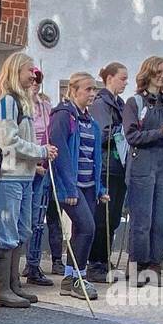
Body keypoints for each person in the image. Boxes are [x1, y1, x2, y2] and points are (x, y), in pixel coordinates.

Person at [0, 51, 56, 308]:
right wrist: (40, 152)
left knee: (22, 229)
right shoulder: (7, 101)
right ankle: (1, 287)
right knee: (5, 231)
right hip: (6, 176)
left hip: (24, 175)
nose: (33, 74)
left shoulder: (24, 102)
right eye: (30, 70)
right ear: (17, 72)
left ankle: (13, 283)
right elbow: (8, 141)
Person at [123, 56, 163, 283]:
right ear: (148, 73)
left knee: (160, 219)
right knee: (142, 219)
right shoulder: (134, 103)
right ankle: (137, 264)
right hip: (142, 165)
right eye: (158, 72)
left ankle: (155, 264)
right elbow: (131, 136)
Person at [48, 71, 105, 300]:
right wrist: (69, 188)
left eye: (94, 89)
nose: (92, 94)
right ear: (73, 90)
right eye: (87, 89)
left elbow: (95, 158)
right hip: (71, 186)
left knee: (81, 231)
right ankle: (79, 278)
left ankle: (70, 278)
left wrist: (100, 188)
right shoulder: (63, 116)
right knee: (87, 228)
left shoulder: (91, 121)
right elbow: (59, 152)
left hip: (89, 185)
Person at [88, 62, 129, 282]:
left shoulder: (120, 104)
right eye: (122, 78)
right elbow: (102, 133)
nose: (125, 82)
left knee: (113, 218)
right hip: (105, 166)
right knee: (102, 217)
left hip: (118, 166)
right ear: (110, 78)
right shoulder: (101, 103)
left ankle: (104, 259)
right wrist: (122, 130)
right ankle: (96, 262)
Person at [24, 68, 57, 287]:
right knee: (23, 219)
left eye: (39, 80)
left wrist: (46, 160)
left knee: (38, 220)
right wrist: (33, 162)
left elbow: (51, 134)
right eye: (32, 80)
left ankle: (33, 264)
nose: (35, 83)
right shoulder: (20, 106)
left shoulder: (46, 108)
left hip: (44, 168)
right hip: (26, 166)